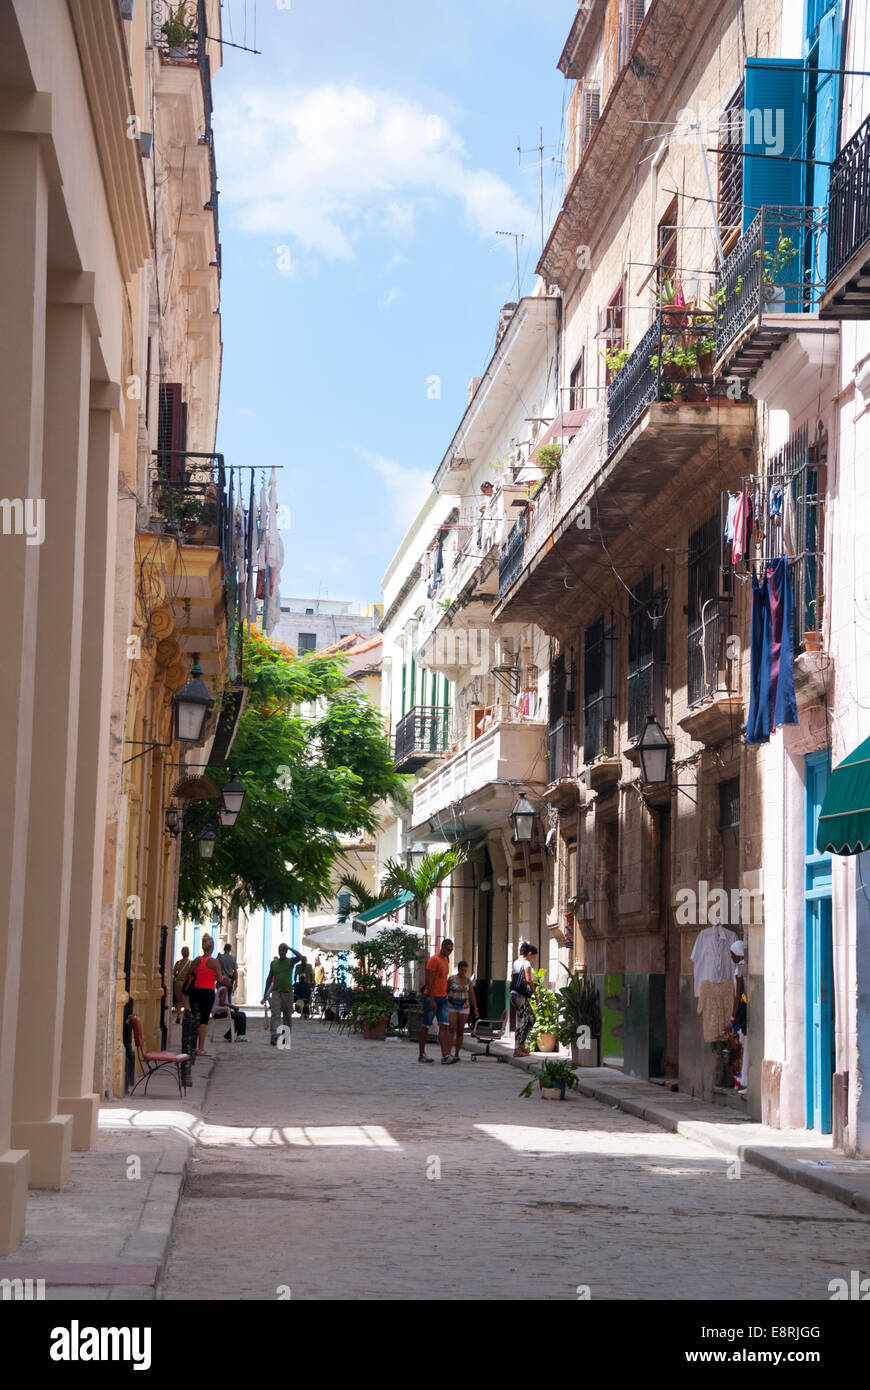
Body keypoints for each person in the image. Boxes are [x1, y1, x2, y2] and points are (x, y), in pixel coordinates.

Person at [186, 935, 226, 1057]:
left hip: (195, 992)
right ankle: (201, 1048)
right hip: (207, 992)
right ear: (212, 948)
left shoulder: (197, 960)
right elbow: (219, 979)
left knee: (193, 1017)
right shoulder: (214, 962)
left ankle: (190, 1045)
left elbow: (190, 974)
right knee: (203, 1020)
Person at [418, 938, 455, 1065]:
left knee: (444, 1025)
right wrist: (432, 999)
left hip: (443, 998)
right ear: (443, 947)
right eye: (448, 949)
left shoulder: (446, 960)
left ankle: (445, 1055)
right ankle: (422, 1054)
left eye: (451, 950)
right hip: (431, 997)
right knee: (426, 1025)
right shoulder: (433, 960)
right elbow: (430, 981)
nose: (449, 952)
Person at [263, 942, 303, 1047]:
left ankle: (285, 1037)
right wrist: (265, 992)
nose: (281, 952)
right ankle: (274, 1036)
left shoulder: (290, 961)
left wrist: (290, 948)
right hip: (276, 992)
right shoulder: (274, 963)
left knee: (287, 1016)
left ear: (285, 951)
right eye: (279, 950)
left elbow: (300, 957)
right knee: (275, 1015)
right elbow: (269, 977)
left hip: (288, 993)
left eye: (283, 950)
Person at [510, 942, 538, 1057]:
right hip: (520, 996)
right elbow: (528, 979)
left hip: (514, 994)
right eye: (534, 958)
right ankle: (517, 1049)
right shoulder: (526, 963)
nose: (533, 960)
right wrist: (535, 993)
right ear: (530, 954)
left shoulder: (516, 962)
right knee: (521, 1021)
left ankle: (522, 1045)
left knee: (531, 1019)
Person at [447, 959, 478, 1060]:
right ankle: (448, 1052)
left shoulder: (468, 981)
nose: (463, 972)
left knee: (460, 1030)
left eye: (465, 971)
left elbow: (472, 995)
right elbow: (445, 991)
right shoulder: (451, 979)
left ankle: (457, 1053)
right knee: (451, 1028)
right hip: (451, 1005)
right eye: (462, 970)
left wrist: (475, 1009)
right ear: (458, 969)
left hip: (464, 1006)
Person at [730, 940, 748, 1090]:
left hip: (742, 1011)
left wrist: (732, 1017)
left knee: (740, 1046)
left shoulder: (739, 970)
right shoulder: (745, 965)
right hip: (746, 1007)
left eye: (732, 954)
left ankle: (742, 1081)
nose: (731, 956)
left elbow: (738, 994)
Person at [172, 946, 193, 1023]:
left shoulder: (178, 962)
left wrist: (178, 975)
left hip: (178, 983)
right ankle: (185, 1016)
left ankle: (178, 1016)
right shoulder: (191, 963)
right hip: (187, 983)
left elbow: (174, 973)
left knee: (179, 1001)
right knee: (186, 1001)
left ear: (181, 953)